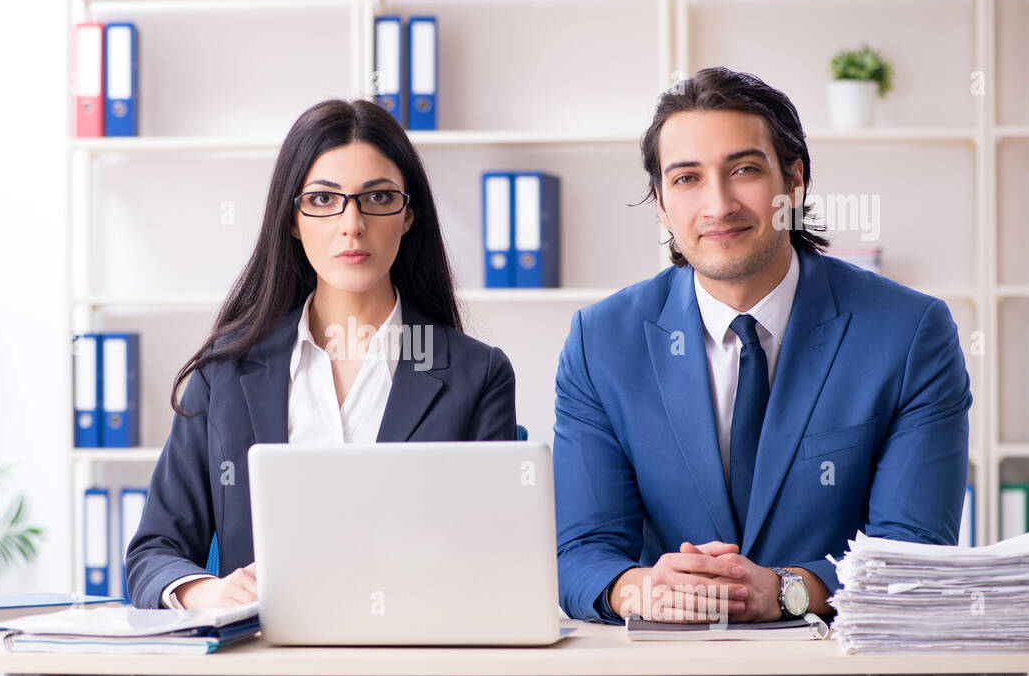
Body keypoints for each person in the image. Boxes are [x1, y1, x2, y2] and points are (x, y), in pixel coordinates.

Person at [554, 67, 972, 624]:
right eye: (686, 179)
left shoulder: (911, 332)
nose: (719, 204)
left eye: (744, 170)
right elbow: (580, 552)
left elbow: (914, 549)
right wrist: (639, 588)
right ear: (659, 202)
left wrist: (785, 590)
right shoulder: (600, 342)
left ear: (794, 181)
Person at [127, 98, 518, 609]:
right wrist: (210, 591)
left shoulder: (477, 374)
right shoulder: (224, 375)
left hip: (416, 664)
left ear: (408, 216)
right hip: (264, 671)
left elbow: (499, 559)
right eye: (322, 199)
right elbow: (153, 553)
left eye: (377, 197)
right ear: (292, 219)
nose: (351, 224)